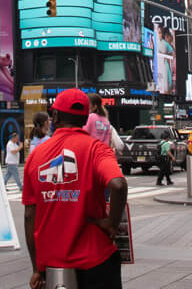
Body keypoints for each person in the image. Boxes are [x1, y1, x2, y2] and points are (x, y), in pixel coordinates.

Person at [23, 88, 128, 288]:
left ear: (55, 116)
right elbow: (118, 184)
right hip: (97, 259)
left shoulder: (35, 156)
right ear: (84, 118)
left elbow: (30, 214)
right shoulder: (97, 149)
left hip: (53, 265)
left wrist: (37, 268)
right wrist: (111, 223)